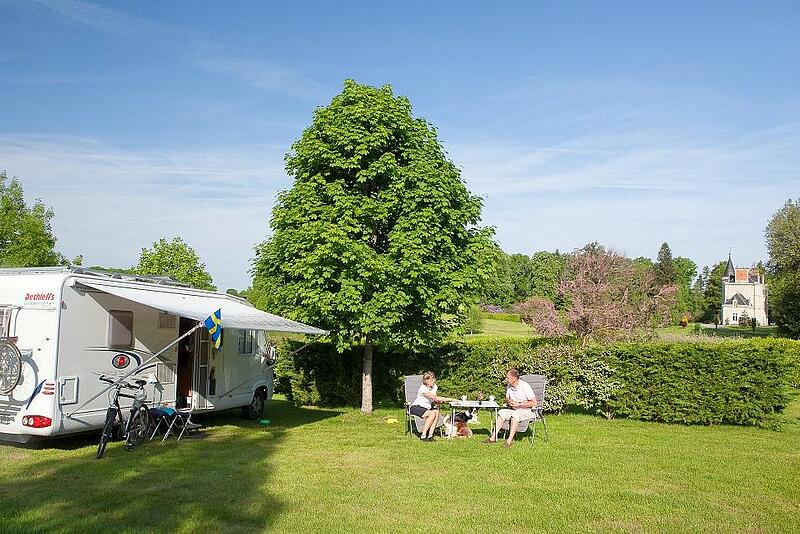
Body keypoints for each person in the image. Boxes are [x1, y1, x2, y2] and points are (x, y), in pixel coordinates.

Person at [483, 368, 536, 448]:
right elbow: (506, 399)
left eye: (507, 377)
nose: (506, 379)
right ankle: (493, 438)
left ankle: (509, 441)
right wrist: (509, 401)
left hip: (527, 411)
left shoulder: (525, 386)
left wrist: (519, 404)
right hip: (514, 409)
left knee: (515, 414)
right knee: (501, 412)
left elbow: (534, 402)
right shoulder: (509, 386)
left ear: (514, 378)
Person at [410, 371, 457, 442]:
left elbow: (434, 399)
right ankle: (423, 435)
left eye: (434, 379)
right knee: (432, 413)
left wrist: (437, 401)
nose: (433, 381)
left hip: (426, 408)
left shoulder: (435, 387)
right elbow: (434, 397)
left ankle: (430, 435)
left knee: (436, 412)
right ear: (426, 381)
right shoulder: (423, 389)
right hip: (416, 407)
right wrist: (451, 399)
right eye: (431, 379)